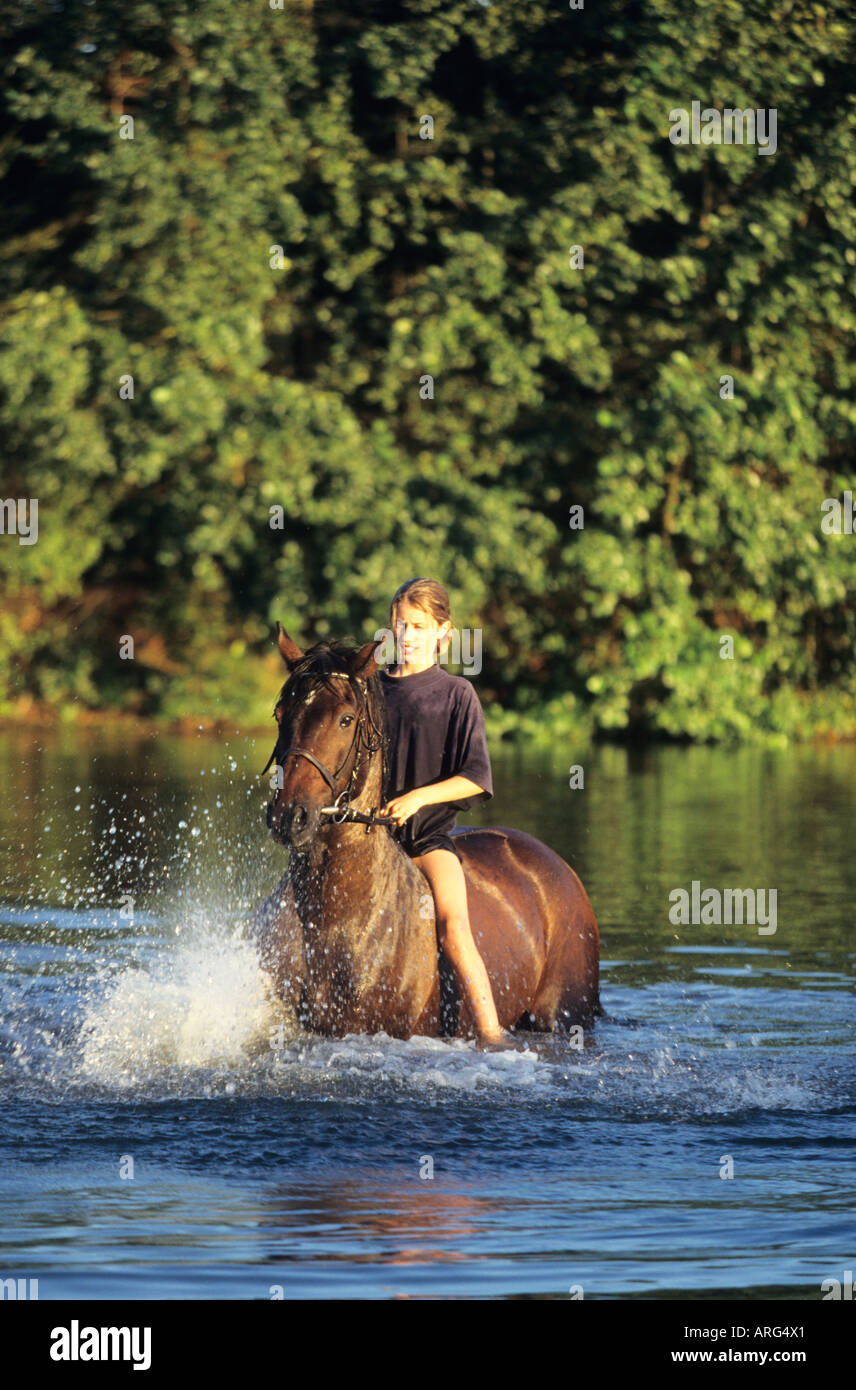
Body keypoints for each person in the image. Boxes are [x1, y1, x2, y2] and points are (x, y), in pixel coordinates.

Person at [376, 577, 509, 1047]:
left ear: (443, 633)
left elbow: (475, 777)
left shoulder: (457, 695)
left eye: (417, 626)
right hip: (369, 841)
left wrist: (416, 799)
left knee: (454, 924)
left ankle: (491, 1034)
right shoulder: (370, 688)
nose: (406, 636)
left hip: (425, 842)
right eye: (398, 625)